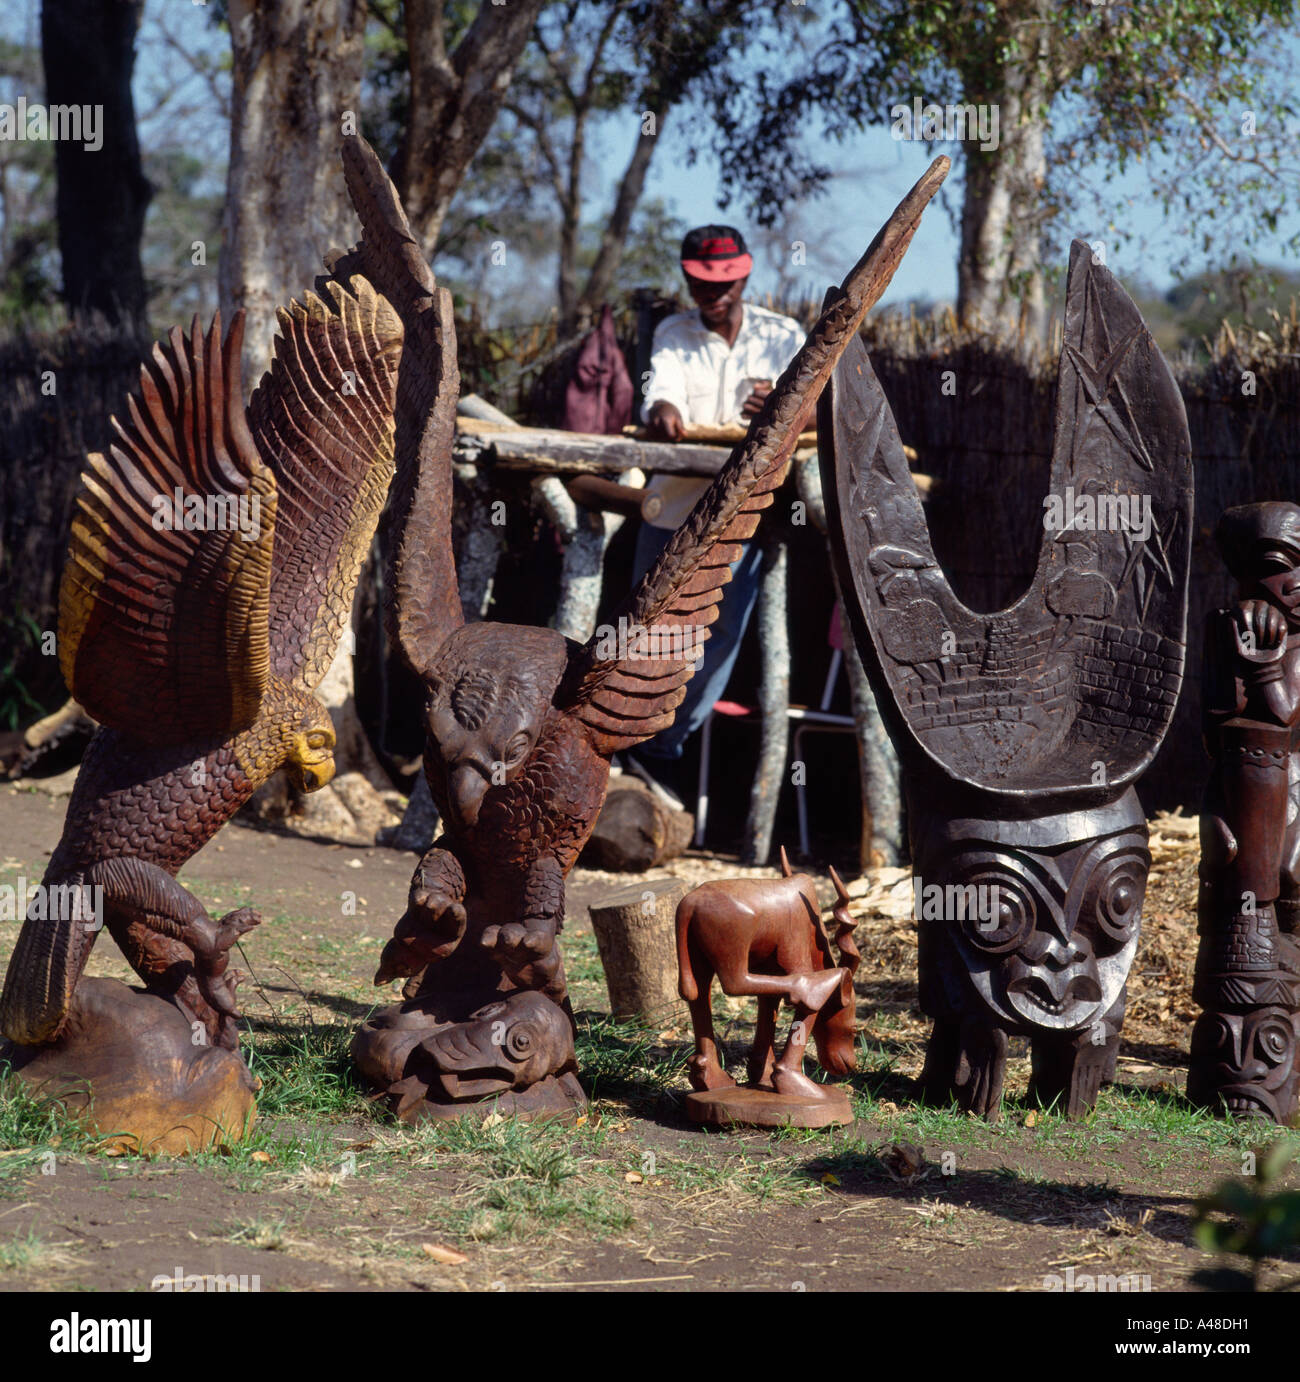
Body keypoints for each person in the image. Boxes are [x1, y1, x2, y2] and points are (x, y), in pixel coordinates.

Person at [627, 225, 805, 807]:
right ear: (687, 279)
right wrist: (664, 408)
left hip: (744, 516)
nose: (716, 293)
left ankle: (659, 748)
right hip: (672, 509)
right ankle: (624, 738)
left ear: (746, 275)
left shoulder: (783, 337)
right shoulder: (672, 333)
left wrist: (781, 406)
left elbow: (818, 406)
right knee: (648, 634)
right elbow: (660, 390)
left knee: (719, 636)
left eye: (726, 281)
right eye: (703, 283)